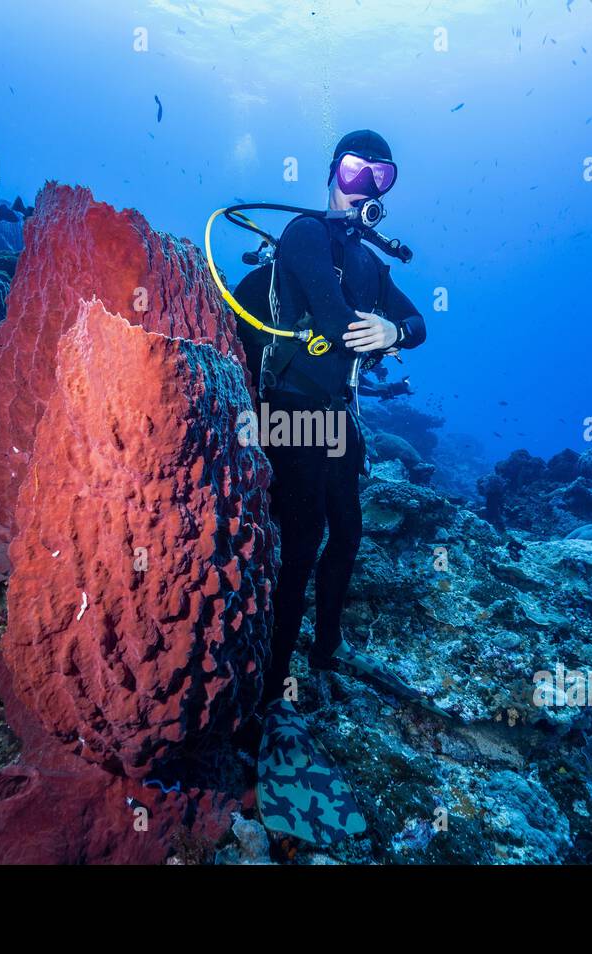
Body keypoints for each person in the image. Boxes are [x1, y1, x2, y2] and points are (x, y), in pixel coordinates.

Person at [261, 129, 427, 707]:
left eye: (381, 178)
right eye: (356, 173)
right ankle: (270, 686)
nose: (366, 188)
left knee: (349, 535)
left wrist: (394, 329)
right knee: (302, 543)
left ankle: (325, 650)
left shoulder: (369, 263)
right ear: (332, 174)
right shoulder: (304, 233)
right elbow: (333, 321)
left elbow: (419, 323)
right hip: (287, 411)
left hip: (337, 417)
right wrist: (379, 333)